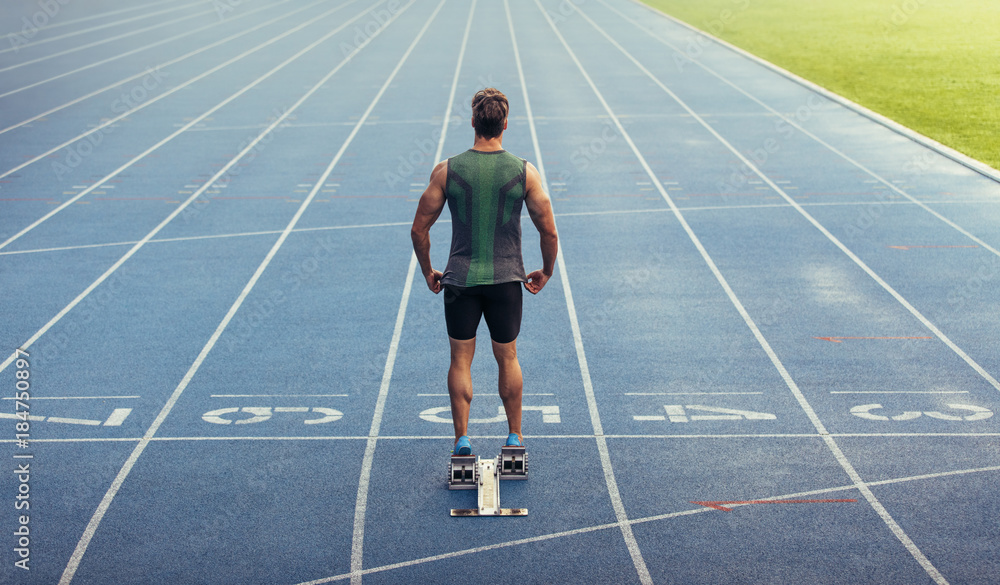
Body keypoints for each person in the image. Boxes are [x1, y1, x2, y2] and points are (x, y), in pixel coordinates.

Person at [410, 88, 558, 456]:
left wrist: (429, 270)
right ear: (505, 124)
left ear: (474, 122)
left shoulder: (447, 170)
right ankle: (514, 437)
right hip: (507, 281)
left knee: (460, 359)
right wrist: (547, 271)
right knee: (507, 356)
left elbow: (418, 230)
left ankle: (461, 439)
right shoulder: (525, 172)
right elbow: (549, 231)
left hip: (459, 280)